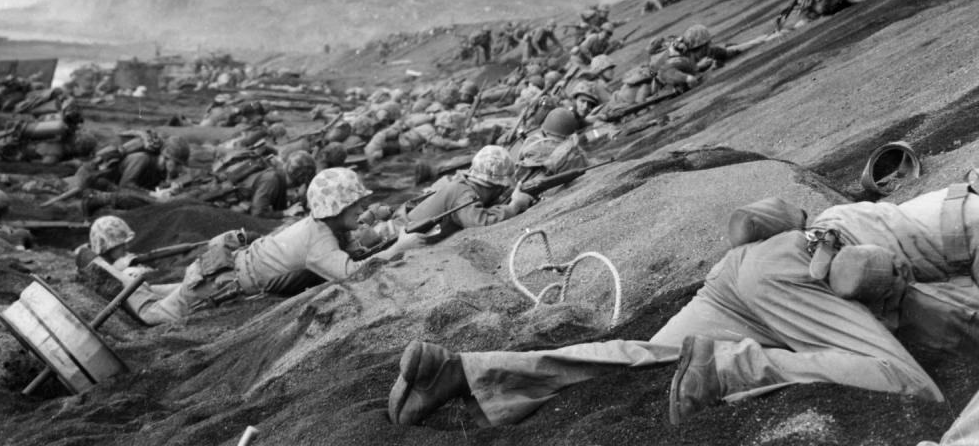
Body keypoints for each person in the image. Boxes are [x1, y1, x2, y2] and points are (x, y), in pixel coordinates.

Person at [387, 184, 979, 429]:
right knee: (908, 384)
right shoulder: (966, 216)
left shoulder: (932, 209)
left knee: (654, 355)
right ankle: (732, 368)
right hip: (801, 272)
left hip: (746, 272)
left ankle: (466, 372)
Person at [98, 168, 425, 327]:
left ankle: (129, 282)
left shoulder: (323, 227)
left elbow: (354, 246)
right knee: (153, 315)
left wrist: (386, 228)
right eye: (356, 204)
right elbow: (353, 273)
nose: (361, 209)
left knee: (165, 290)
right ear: (336, 208)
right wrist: (400, 247)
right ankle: (113, 282)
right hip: (217, 279)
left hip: (224, 267)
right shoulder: (319, 241)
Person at [403, 146, 536, 239]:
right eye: (502, 188)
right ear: (495, 186)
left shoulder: (462, 184)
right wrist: (514, 207)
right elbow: (482, 223)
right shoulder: (464, 194)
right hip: (398, 233)